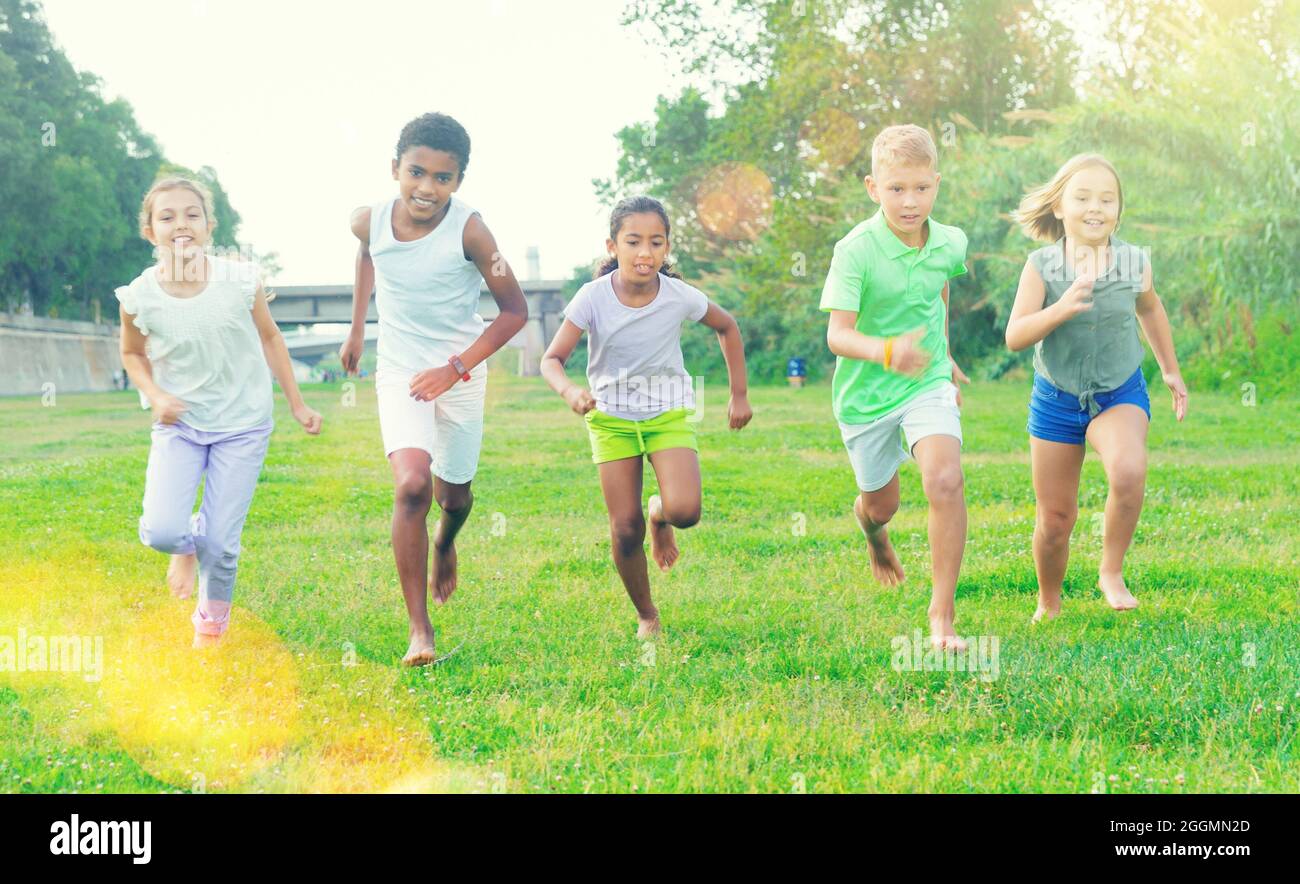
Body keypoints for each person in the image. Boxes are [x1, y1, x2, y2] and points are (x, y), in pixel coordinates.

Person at [339, 113, 528, 666]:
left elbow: (514, 311)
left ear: (459, 181)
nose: (427, 188)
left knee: (454, 497)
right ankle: (420, 630)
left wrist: (455, 368)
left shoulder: (472, 231)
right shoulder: (366, 221)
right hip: (400, 369)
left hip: (461, 372)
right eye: (416, 173)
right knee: (413, 486)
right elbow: (367, 253)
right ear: (394, 168)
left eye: (442, 178)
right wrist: (357, 329)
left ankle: (445, 542)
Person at [116, 176, 322, 647]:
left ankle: (210, 628)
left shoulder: (239, 282)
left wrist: (297, 403)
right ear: (150, 232)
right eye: (166, 217)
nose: (180, 224)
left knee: (223, 545)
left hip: (243, 424)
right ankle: (184, 546)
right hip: (180, 424)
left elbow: (271, 337)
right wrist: (154, 395)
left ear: (209, 226)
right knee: (161, 531)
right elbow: (132, 353)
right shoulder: (138, 296)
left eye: (191, 214)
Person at [540, 195, 751, 638]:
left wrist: (739, 395)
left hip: (667, 411)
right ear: (612, 246)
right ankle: (646, 613)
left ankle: (661, 515)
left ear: (667, 247)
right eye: (633, 241)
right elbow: (552, 359)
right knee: (624, 528)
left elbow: (727, 326)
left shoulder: (678, 296)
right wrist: (570, 390)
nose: (646, 253)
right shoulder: (592, 298)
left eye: (657, 242)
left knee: (686, 510)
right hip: (610, 417)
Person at [1005, 153, 1188, 621]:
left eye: (1107, 199)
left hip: (1117, 392)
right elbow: (1015, 336)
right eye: (1083, 197)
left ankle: (1111, 571)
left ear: (1119, 210)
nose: (1096, 207)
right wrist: (1060, 308)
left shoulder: (1133, 262)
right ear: (1060, 207)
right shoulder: (1041, 266)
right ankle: (1049, 601)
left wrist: (1169, 369)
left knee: (1128, 471)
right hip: (1056, 399)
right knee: (1055, 521)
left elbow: (1150, 309)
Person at [820, 124, 972, 650]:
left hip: (924, 382)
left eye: (921, 189)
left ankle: (942, 616)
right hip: (864, 397)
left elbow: (941, 288)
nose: (910, 202)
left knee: (945, 480)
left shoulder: (951, 241)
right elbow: (838, 335)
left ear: (936, 183)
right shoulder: (855, 250)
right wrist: (888, 351)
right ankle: (872, 531)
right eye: (896, 189)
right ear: (872, 187)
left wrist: (944, 353)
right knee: (881, 505)